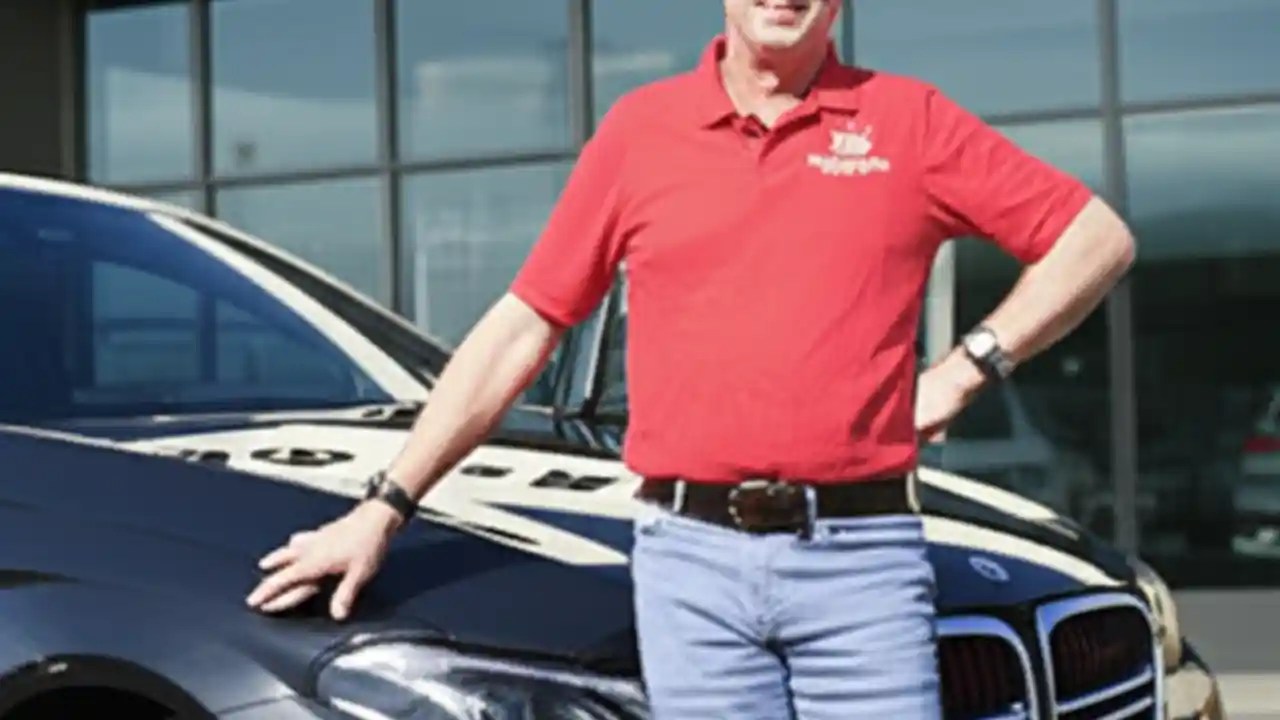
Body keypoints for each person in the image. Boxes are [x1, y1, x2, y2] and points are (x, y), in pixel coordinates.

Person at [246, 0, 1136, 716]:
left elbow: (1094, 240)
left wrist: (968, 366)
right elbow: (524, 325)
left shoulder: (909, 121)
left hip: (862, 562)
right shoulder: (642, 133)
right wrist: (385, 507)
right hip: (690, 565)